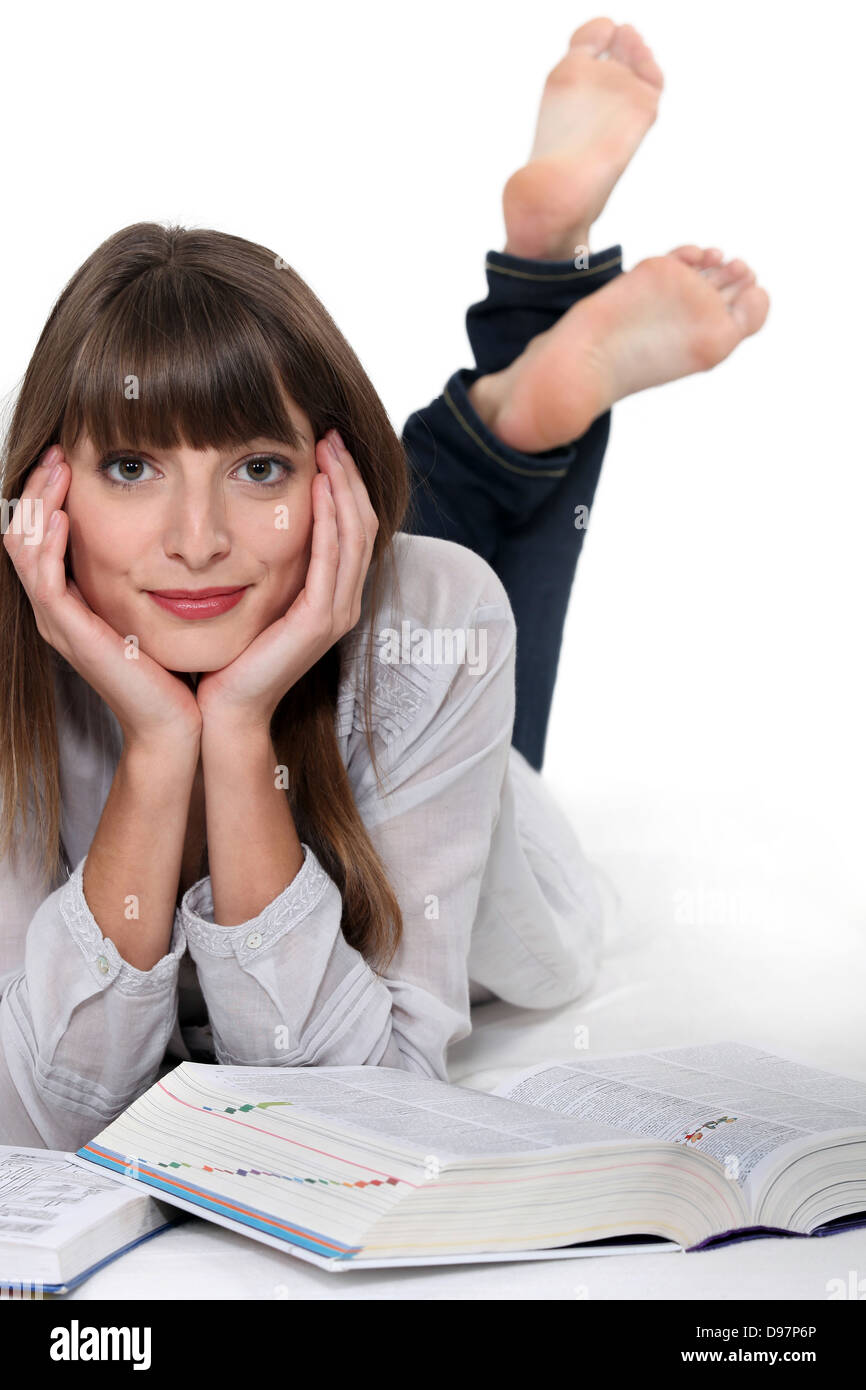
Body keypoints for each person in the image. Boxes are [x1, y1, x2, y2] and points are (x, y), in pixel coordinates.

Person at [0, 19, 768, 1150]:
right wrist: (165, 748)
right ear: (43, 486)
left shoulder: (432, 614)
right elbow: (40, 1116)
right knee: (362, 574)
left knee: (422, 598)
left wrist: (241, 723)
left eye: (256, 465)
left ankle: (515, 358)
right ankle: (514, 367)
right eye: (131, 466)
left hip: (432, 711)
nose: (196, 534)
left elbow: (355, 1106)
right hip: (349, 590)